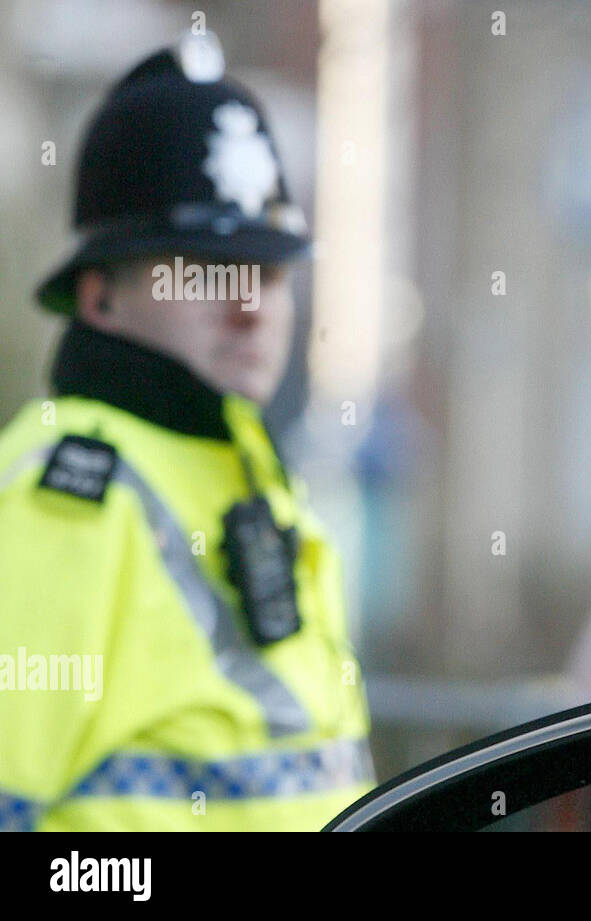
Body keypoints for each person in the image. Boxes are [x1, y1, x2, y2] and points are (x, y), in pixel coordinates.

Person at [0, 36, 373, 831]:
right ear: (99, 297)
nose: (250, 307)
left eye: (268, 273)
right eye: (205, 271)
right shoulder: (57, 498)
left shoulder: (248, 467)